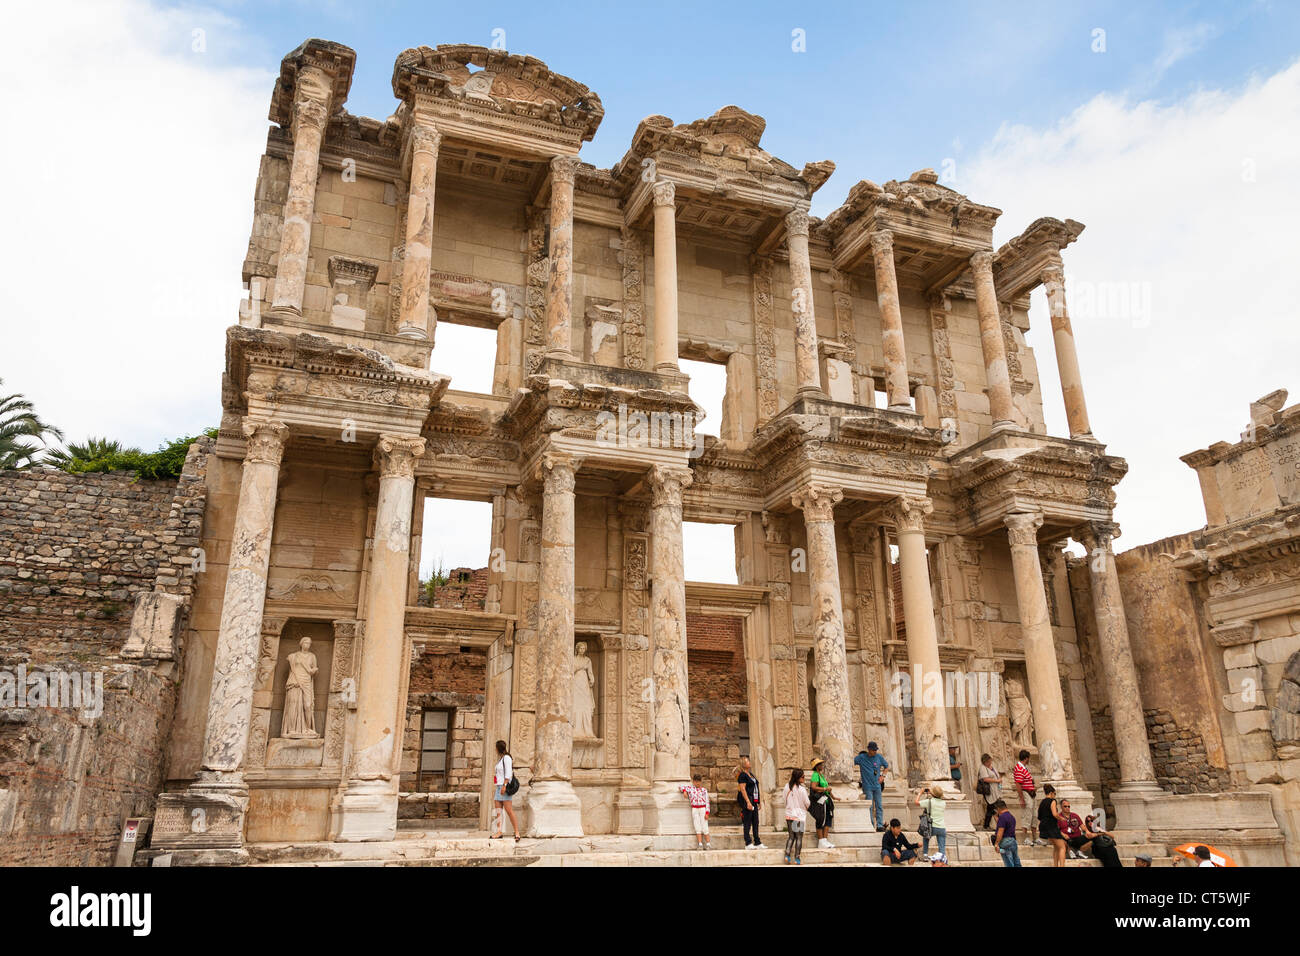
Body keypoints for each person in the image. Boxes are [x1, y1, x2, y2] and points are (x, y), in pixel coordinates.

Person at [853, 742, 889, 831]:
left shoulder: (879, 757)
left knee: (879, 805)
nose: (875, 752)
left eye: (876, 750)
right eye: (873, 750)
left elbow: (886, 766)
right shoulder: (861, 758)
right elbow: (850, 761)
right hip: (867, 786)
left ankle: (880, 825)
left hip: (877, 786)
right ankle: (871, 824)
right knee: (869, 806)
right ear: (869, 750)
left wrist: (883, 776)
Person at [490, 740, 520, 841]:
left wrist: (504, 785)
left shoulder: (507, 758)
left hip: (504, 787)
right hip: (498, 787)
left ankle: (517, 832)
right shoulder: (501, 759)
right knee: (498, 811)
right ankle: (499, 832)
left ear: (498, 748)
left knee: (509, 810)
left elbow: (508, 773)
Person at [782, 768, 810, 865]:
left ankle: (787, 855)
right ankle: (797, 858)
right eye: (803, 776)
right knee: (799, 837)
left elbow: (784, 801)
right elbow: (807, 803)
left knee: (791, 837)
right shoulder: (802, 789)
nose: (804, 778)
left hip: (789, 815)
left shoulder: (786, 787)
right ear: (798, 778)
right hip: (799, 817)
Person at [1012, 750, 1041, 844]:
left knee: (1034, 815)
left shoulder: (1025, 768)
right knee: (1027, 815)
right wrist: (1021, 798)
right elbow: (1018, 784)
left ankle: (1034, 837)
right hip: (1025, 793)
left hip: (1031, 793)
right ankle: (1026, 838)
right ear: (1026, 758)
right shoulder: (1019, 768)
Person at [737, 755, 764, 849]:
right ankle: (748, 842)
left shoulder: (751, 774)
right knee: (747, 821)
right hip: (748, 800)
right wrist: (748, 802)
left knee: (755, 821)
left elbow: (755, 787)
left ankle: (757, 841)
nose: (749, 762)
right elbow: (743, 789)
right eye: (748, 761)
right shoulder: (742, 775)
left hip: (754, 800)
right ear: (744, 764)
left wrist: (758, 801)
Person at [808, 757, 836, 848]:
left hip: (826, 800)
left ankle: (825, 840)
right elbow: (813, 787)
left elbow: (827, 788)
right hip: (820, 801)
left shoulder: (821, 775)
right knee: (821, 819)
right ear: (816, 766)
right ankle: (821, 841)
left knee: (828, 818)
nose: (822, 765)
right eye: (820, 764)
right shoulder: (815, 775)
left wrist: (833, 796)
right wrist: (824, 789)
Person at [679, 774, 711, 850]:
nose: (697, 783)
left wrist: (707, 812)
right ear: (693, 782)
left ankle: (708, 844)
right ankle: (700, 844)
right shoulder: (690, 789)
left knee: (705, 826)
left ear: (701, 782)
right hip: (695, 809)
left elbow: (707, 802)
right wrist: (684, 791)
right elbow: (680, 787)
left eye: (699, 782)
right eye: (696, 782)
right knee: (697, 826)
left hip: (702, 808)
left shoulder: (704, 790)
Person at [1038, 784, 1067, 867]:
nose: (1055, 796)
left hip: (1043, 826)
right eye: (1055, 794)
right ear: (1051, 793)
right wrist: (1061, 818)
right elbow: (1054, 814)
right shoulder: (1052, 801)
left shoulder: (1042, 802)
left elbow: (1039, 816)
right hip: (1051, 826)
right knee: (1062, 847)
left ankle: (1055, 865)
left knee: (1056, 847)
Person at [915, 785, 947, 858]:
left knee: (926, 837)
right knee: (941, 846)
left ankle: (925, 855)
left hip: (931, 826)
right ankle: (942, 858)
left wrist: (920, 793)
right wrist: (933, 793)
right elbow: (938, 798)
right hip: (942, 827)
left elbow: (916, 802)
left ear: (932, 794)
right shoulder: (943, 803)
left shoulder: (929, 801)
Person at [977, 753, 1003, 829]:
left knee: (991, 808)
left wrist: (999, 780)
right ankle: (993, 825)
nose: (989, 763)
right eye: (988, 761)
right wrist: (996, 781)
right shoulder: (983, 768)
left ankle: (987, 825)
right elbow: (985, 779)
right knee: (992, 807)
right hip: (989, 791)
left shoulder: (992, 767)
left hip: (996, 789)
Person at [992, 799, 1020, 867]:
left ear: (998, 808)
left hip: (1005, 842)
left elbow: (1000, 831)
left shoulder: (1002, 817)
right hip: (1013, 841)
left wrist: (996, 844)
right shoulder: (1011, 817)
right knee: (1016, 862)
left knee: (1009, 863)